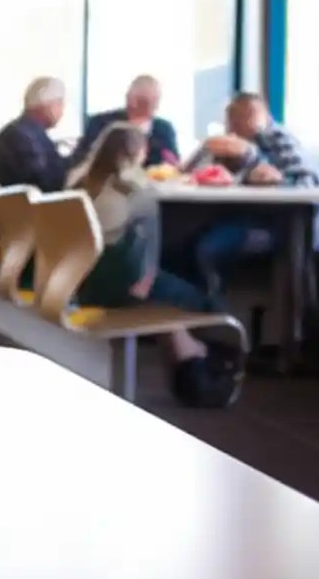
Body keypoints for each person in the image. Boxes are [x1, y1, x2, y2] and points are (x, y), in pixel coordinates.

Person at [69, 124, 241, 408]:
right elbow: (144, 260)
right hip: (118, 287)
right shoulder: (135, 191)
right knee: (199, 302)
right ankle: (201, 365)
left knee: (162, 307)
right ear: (138, 153)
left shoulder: (78, 185)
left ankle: (191, 366)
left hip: (81, 285)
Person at [182, 92, 319, 296]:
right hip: (237, 217)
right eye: (230, 120)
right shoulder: (230, 144)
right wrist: (203, 151)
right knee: (181, 243)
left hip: (277, 228)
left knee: (209, 247)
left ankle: (213, 313)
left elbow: (310, 183)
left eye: (239, 119)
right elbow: (188, 173)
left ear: (257, 116)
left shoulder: (277, 139)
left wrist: (258, 164)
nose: (232, 128)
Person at [73, 75, 179, 168]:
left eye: (154, 101)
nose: (151, 107)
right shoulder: (102, 124)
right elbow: (82, 160)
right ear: (129, 98)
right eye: (142, 101)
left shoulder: (164, 129)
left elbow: (173, 163)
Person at [0, 77, 71, 192]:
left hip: (9, 208)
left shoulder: (15, 132)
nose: (62, 110)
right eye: (59, 103)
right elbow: (47, 184)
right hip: (28, 209)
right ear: (46, 104)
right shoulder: (28, 139)